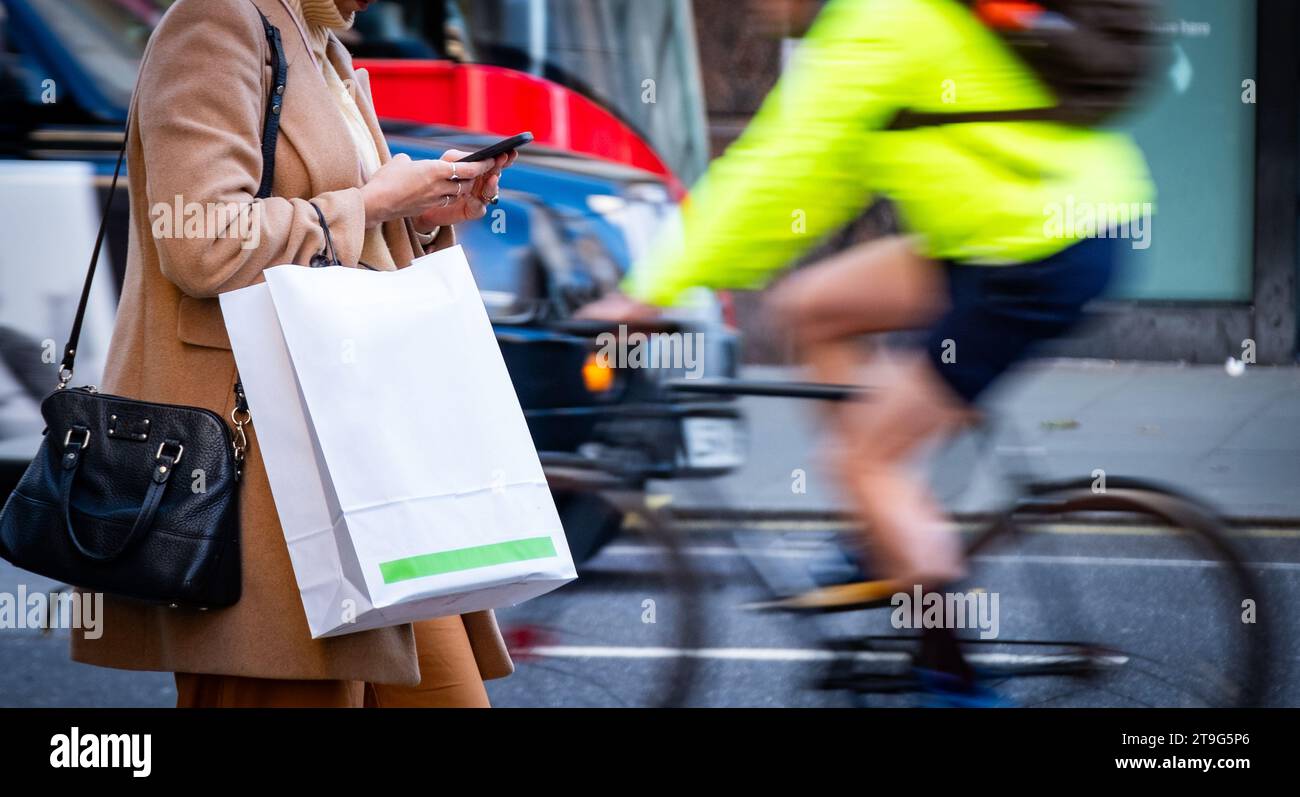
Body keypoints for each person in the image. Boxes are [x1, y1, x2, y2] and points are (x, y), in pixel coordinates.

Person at [579, 0, 1153, 697]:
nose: (757, 10)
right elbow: (820, 181)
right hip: (1008, 229)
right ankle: (875, 538)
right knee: (810, 306)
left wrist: (650, 291)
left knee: (865, 461)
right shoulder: (877, 22)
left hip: (1039, 252)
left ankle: (951, 679)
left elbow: (776, 169)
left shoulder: (877, 21)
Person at [69, 0, 517, 707]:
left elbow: (341, 232)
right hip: (258, 471)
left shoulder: (320, 42)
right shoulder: (214, 22)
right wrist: (370, 203)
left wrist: (420, 214)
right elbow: (203, 244)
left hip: (362, 460)